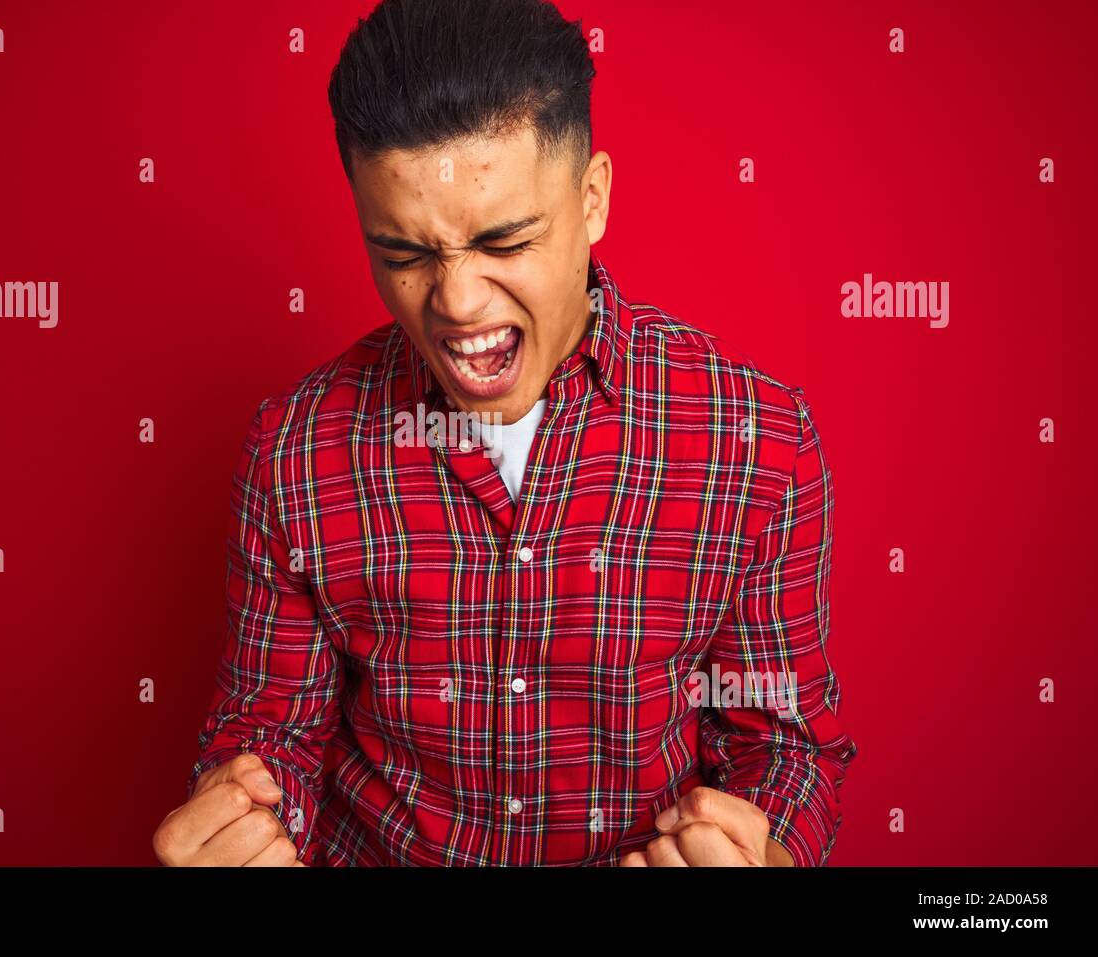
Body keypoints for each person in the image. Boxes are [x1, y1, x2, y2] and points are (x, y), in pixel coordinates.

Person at [153, 0, 856, 867]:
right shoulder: (292, 450)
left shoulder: (759, 441)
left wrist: (763, 849)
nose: (456, 303)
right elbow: (271, 735)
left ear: (592, 198)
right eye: (406, 255)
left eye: (505, 241)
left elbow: (781, 744)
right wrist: (240, 817)